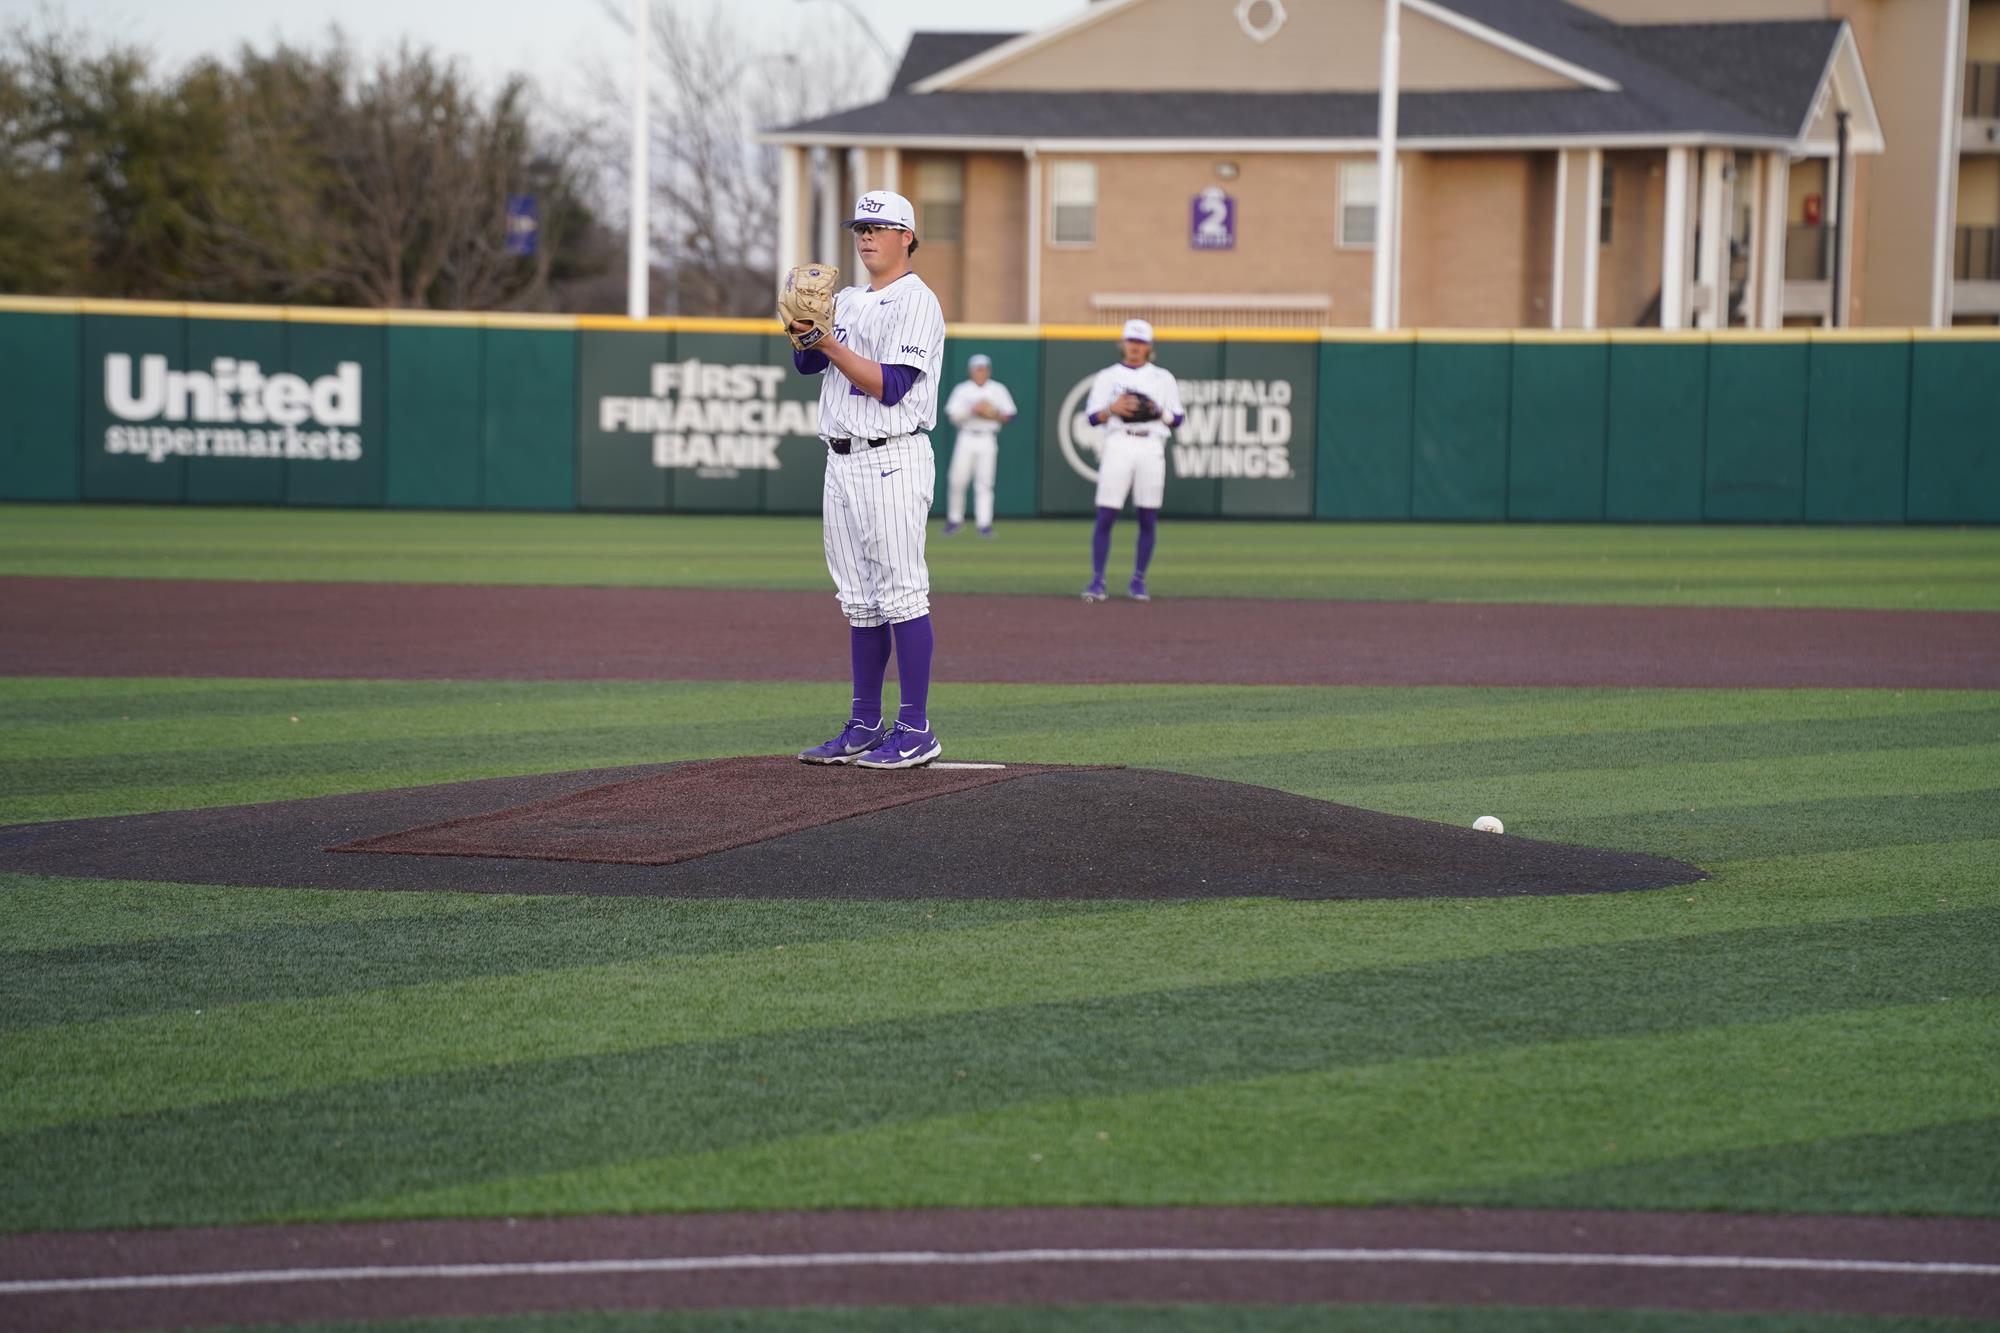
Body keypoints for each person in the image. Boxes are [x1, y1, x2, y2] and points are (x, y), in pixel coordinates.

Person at [784, 190, 948, 769]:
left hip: (894, 457)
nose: (866, 236)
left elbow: (893, 385)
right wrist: (805, 327)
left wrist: (826, 340)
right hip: (842, 457)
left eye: (879, 226)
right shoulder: (847, 300)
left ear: (907, 235)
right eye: (860, 227)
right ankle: (863, 723)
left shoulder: (917, 301)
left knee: (902, 592)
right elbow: (808, 365)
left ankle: (916, 726)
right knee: (858, 601)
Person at [1081, 319, 1184, 602]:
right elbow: (1091, 417)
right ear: (1122, 343)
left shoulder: (1163, 378)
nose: (1135, 347)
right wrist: (1112, 409)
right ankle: (1098, 580)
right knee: (1106, 514)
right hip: (1118, 443)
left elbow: (1177, 418)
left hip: (1151, 444)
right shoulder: (1108, 376)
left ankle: (1139, 580)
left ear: (1150, 347)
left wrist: (1156, 411)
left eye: (1140, 342)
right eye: (1130, 341)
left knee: (1147, 516)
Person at [941, 353, 1017, 537]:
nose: (981, 373)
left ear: (988, 371)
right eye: (977, 369)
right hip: (966, 436)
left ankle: (984, 524)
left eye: (983, 369)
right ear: (971, 371)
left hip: (987, 437)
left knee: (985, 482)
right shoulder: (963, 390)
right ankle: (955, 520)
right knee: (957, 480)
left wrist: (992, 413)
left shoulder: (997, 389)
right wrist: (973, 410)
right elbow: (952, 414)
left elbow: (1010, 415)